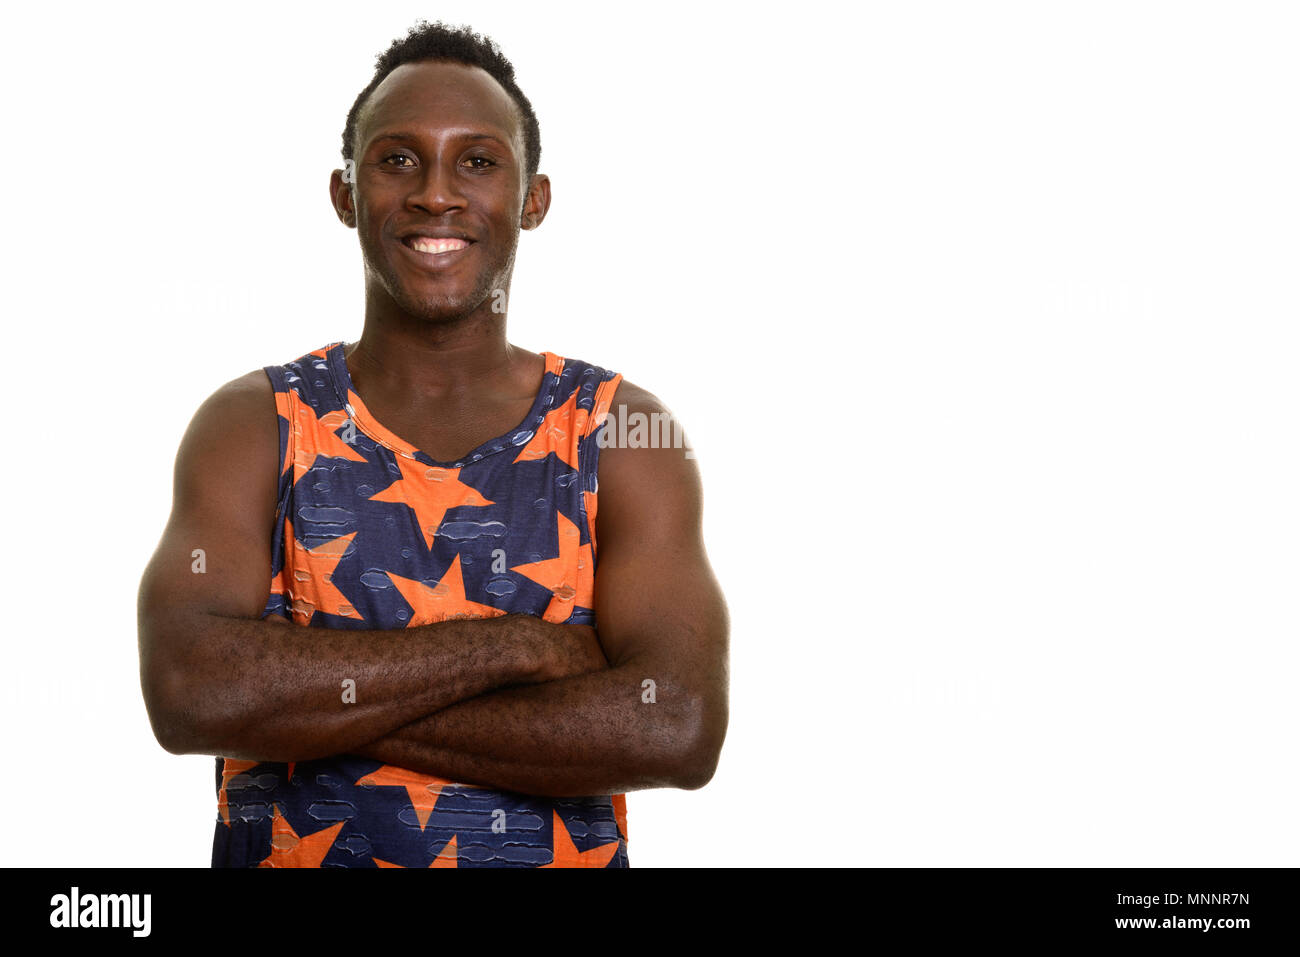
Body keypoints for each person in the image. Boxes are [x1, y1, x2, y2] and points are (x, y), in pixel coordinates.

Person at [136, 20, 729, 868]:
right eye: (398, 158)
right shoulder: (254, 423)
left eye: (479, 161)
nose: (436, 194)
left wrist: (307, 704)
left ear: (534, 198)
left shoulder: (622, 431)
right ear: (346, 192)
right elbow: (192, 689)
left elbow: (674, 720)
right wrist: (518, 649)